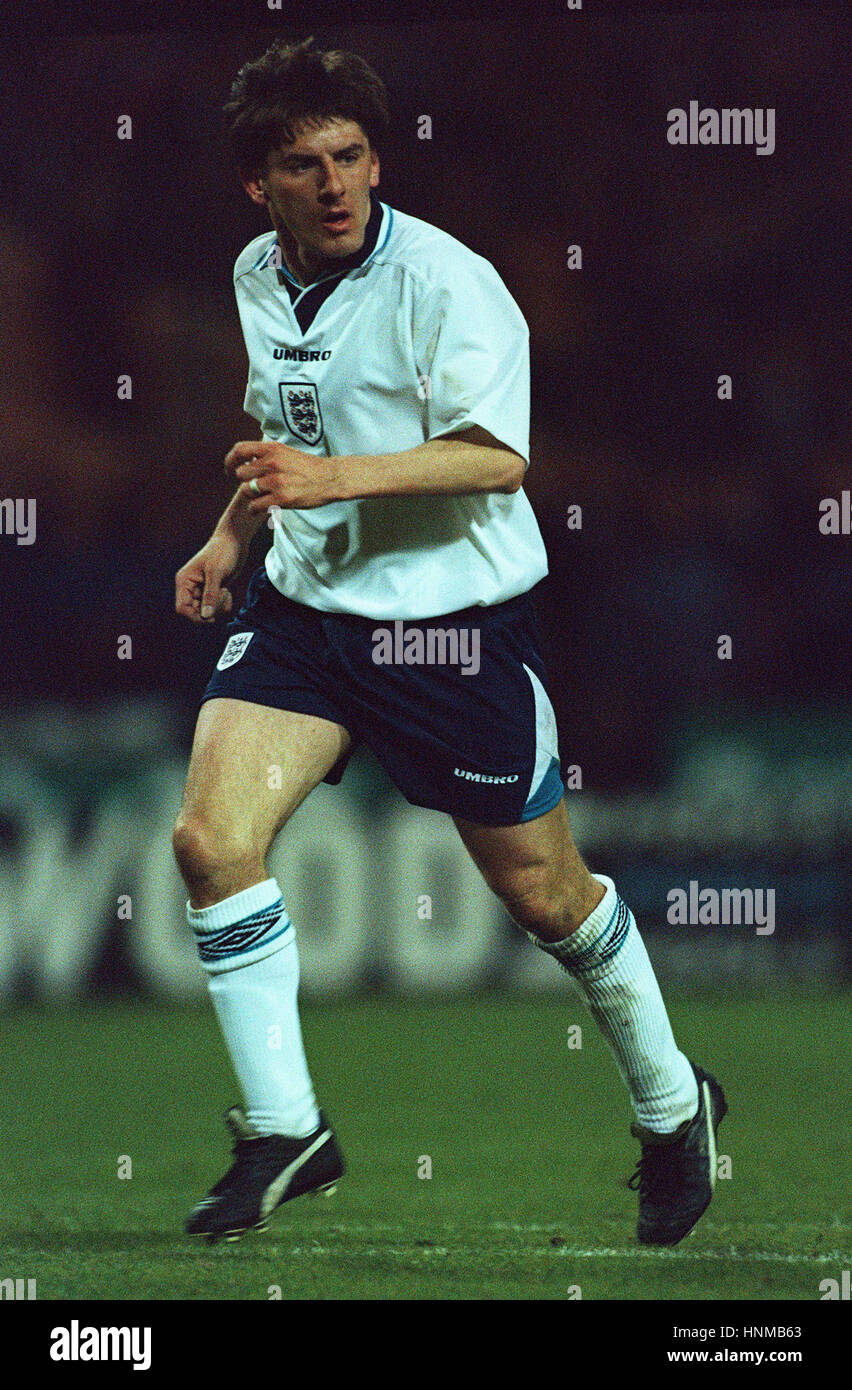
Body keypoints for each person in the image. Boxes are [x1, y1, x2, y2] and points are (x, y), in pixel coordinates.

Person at [173, 35, 726, 1247]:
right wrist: (231, 534)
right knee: (211, 843)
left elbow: (496, 457)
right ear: (255, 184)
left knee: (548, 900)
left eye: (353, 155)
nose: (335, 183)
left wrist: (330, 482)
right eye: (305, 163)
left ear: (376, 159)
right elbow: (280, 418)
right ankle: (285, 1129)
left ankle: (673, 1104)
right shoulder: (259, 271)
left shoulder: (449, 282)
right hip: (307, 621)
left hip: (451, 635)